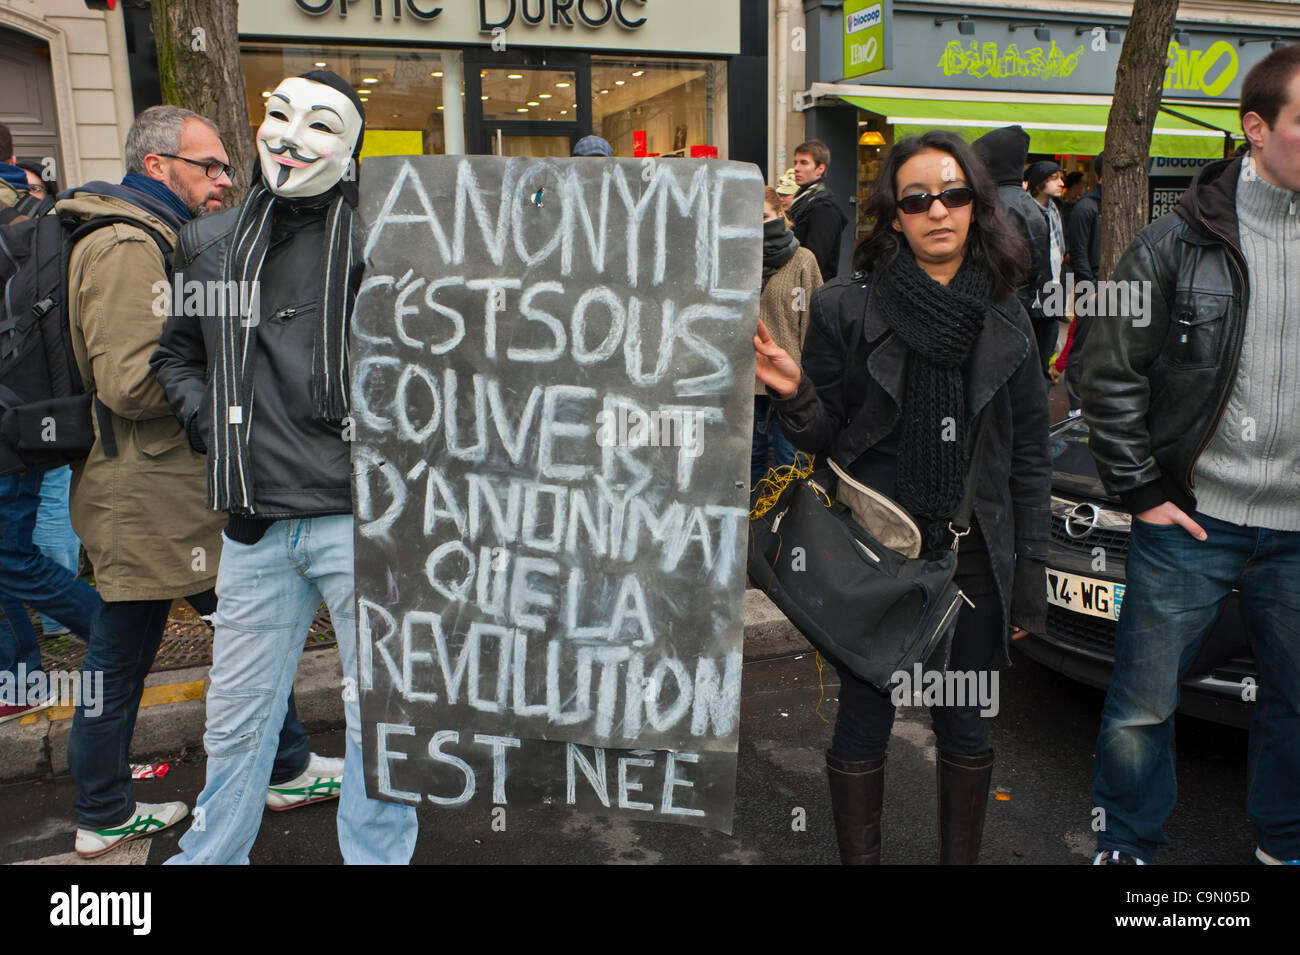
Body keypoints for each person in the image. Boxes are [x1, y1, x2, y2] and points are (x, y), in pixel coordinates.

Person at [753, 129, 1050, 865]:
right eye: (918, 199)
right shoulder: (844, 308)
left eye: (953, 194)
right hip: (874, 551)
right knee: (862, 719)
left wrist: (1030, 574)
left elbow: (1031, 460)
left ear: (976, 206)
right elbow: (824, 437)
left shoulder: (1008, 313)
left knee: (967, 726)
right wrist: (795, 392)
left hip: (972, 554)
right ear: (895, 216)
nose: (937, 211)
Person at [60, 105, 341, 860]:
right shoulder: (126, 244)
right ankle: (103, 809)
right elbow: (130, 379)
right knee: (121, 657)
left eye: (224, 166)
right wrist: (241, 396)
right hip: (148, 497)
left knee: (251, 640)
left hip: (179, 491)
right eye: (207, 166)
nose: (222, 181)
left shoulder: (156, 235)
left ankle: (282, 767)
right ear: (158, 166)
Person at [153, 71, 419, 865]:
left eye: (321, 124)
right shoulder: (210, 246)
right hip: (255, 523)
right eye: (277, 114)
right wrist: (210, 416)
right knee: (237, 714)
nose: (291, 136)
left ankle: (376, 859)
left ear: (354, 144)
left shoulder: (390, 239)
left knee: (382, 713)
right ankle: (212, 857)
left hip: (361, 518)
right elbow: (175, 353)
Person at [1082, 43, 1300, 867]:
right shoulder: (1175, 242)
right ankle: (1127, 847)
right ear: (1255, 128)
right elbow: (1106, 368)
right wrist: (1140, 489)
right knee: (1142, 704)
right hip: (1193, 520)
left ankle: (1285, 844)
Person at [752, 185, 821, 486]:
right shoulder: (737, 261)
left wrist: (809, 382)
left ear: (780, 214)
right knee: (750, 461)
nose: (759, 225)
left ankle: (790, 529)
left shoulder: (803, 260)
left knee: (790, 461)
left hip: (790, 383)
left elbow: (816, 324)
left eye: (764, 216)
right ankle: (753, 530)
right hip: (747, 383)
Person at [973, 127, 1052, 373]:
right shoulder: (1029, 206)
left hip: (998, 309)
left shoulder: (993, 204)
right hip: (1022, 308)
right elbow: (1042, 271)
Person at [1064, 156, 1102, 414]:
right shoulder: (1086, 208)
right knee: (1082, 345)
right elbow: (1078, 253)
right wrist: (1089, 288)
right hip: (1092, 288)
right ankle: (1076, 406)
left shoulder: (1108, 206)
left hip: (1110, 286)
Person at [1026, 160, 1067, 375]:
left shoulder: (1054, 211)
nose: (1061, 183)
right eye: (1054, 178)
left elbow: (1058, 251)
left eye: (1061, 178)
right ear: (1040, 182)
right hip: (1033, 292)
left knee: (1046, 351)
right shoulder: (1027, 211)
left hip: (1053, 288)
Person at [789, 139, 850, 280]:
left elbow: (815, 261)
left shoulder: (823, 208)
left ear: (820, 169)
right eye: (795, 162)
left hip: (811, 290)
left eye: (804, 163)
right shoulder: (803, 200)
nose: (797, 168)